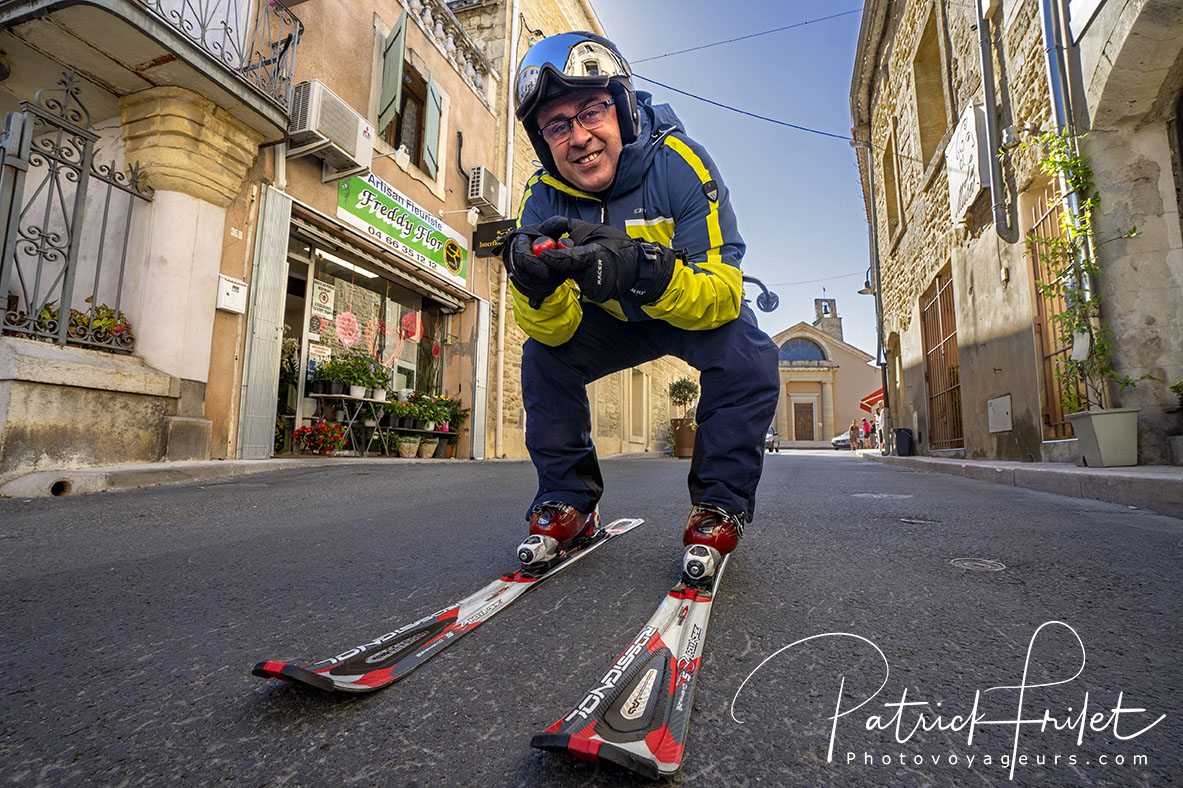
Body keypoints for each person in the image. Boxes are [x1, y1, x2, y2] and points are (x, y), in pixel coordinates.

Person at [500, 31, 780, 582]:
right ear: (542, 143)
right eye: (557, 126)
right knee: (542, 358)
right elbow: (551, 332)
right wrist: (536, 289)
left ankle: (718, 505)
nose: (578, 138)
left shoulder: (682, 164)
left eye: (590, 112)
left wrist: (645, 270)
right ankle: (568, 501)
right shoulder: (539, 198)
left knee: (750, 355)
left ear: (624, 110)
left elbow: (724, 293)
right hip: (611, 324)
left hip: (683, 311)